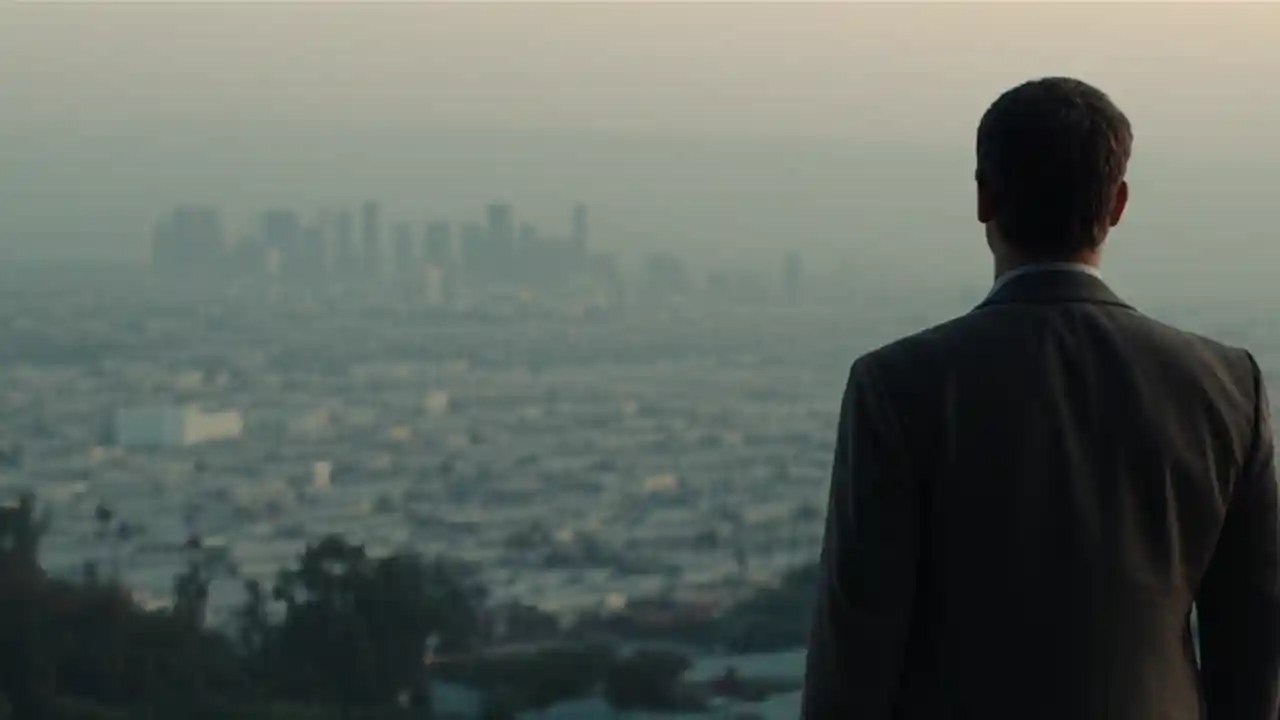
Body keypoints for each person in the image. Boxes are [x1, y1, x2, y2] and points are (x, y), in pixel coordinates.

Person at [802, 77, 1280, 719]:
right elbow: (1252, 644)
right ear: (1117, 205)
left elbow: (855, 649)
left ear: (984, 199)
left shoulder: (900, 386)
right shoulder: (1225, 385)